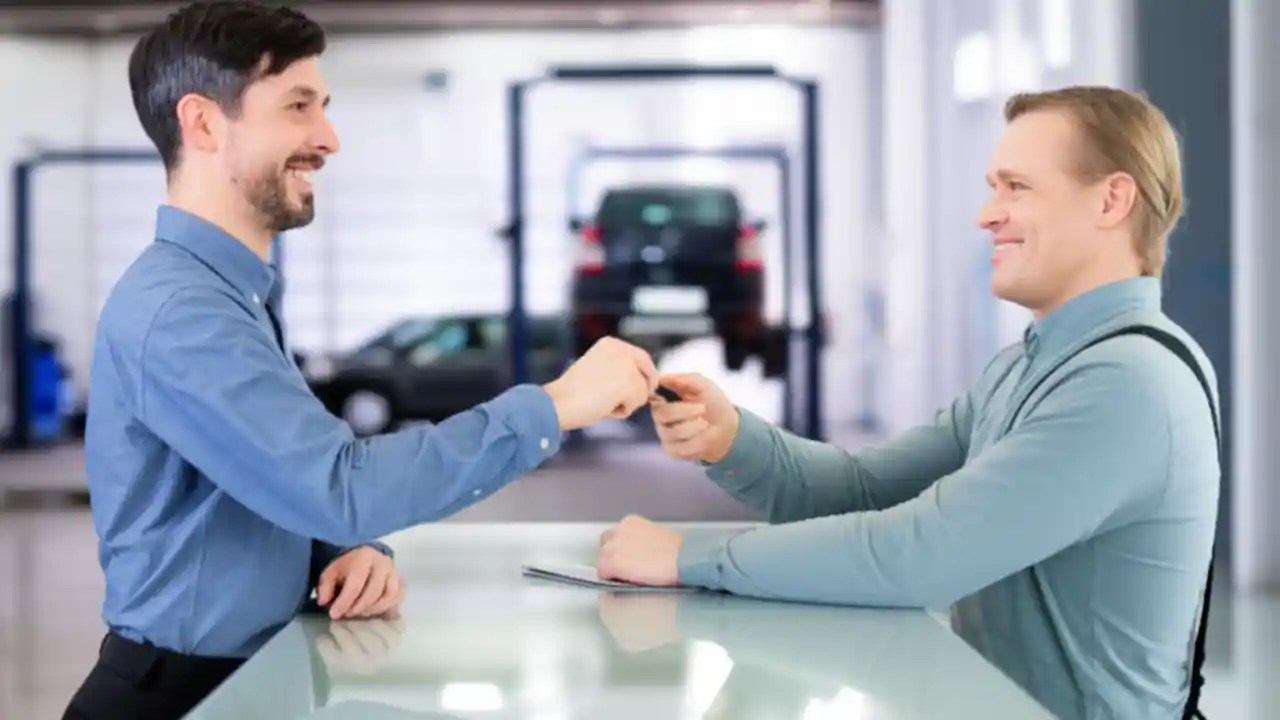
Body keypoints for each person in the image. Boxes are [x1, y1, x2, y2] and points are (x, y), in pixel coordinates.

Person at [65, 3, 657, 719]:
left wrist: (341, 551)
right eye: (297, 106)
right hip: (179, 697)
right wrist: (558, 404)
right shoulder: (183, 314)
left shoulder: (235, 296)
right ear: (204, 123)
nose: (328, 138)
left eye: (325, 107)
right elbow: (336, 484)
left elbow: (265, 478)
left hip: (252, 679)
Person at [597, 86, 1220, 720]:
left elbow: (918, 555)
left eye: (1016, 187)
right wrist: (731, 439)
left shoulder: (1126, 384)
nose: (987, 214)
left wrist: (687, 558)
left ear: (1112, 200)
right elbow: (864, 491)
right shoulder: (1033, 365)